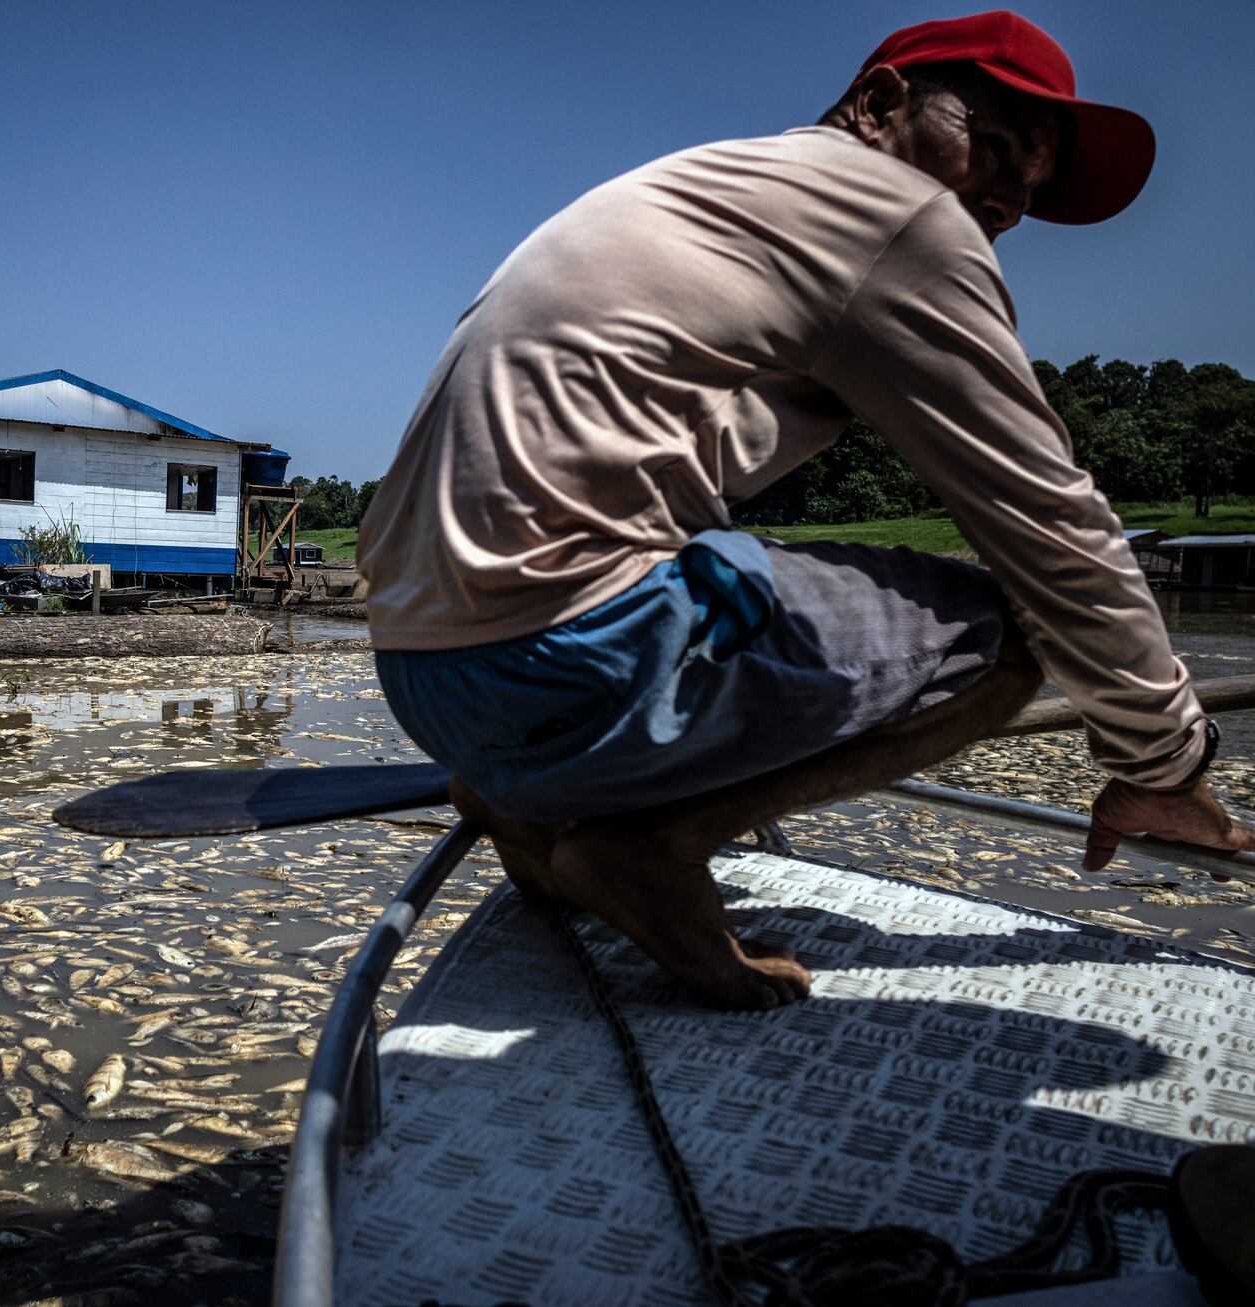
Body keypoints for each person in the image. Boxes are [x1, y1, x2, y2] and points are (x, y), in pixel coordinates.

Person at [355, 10, 1254, 1010]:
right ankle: (649, 844)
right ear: (878, 104)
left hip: (420, 675)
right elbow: (1051, 527)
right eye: (992, 147)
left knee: (727, 557)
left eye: (1029, 189)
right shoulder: (895, 212)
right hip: (556, 660)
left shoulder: (717, 185)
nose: (1003, 200)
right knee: (1013, 630)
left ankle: (514, 811)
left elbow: (660, 448)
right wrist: (1162, 759)